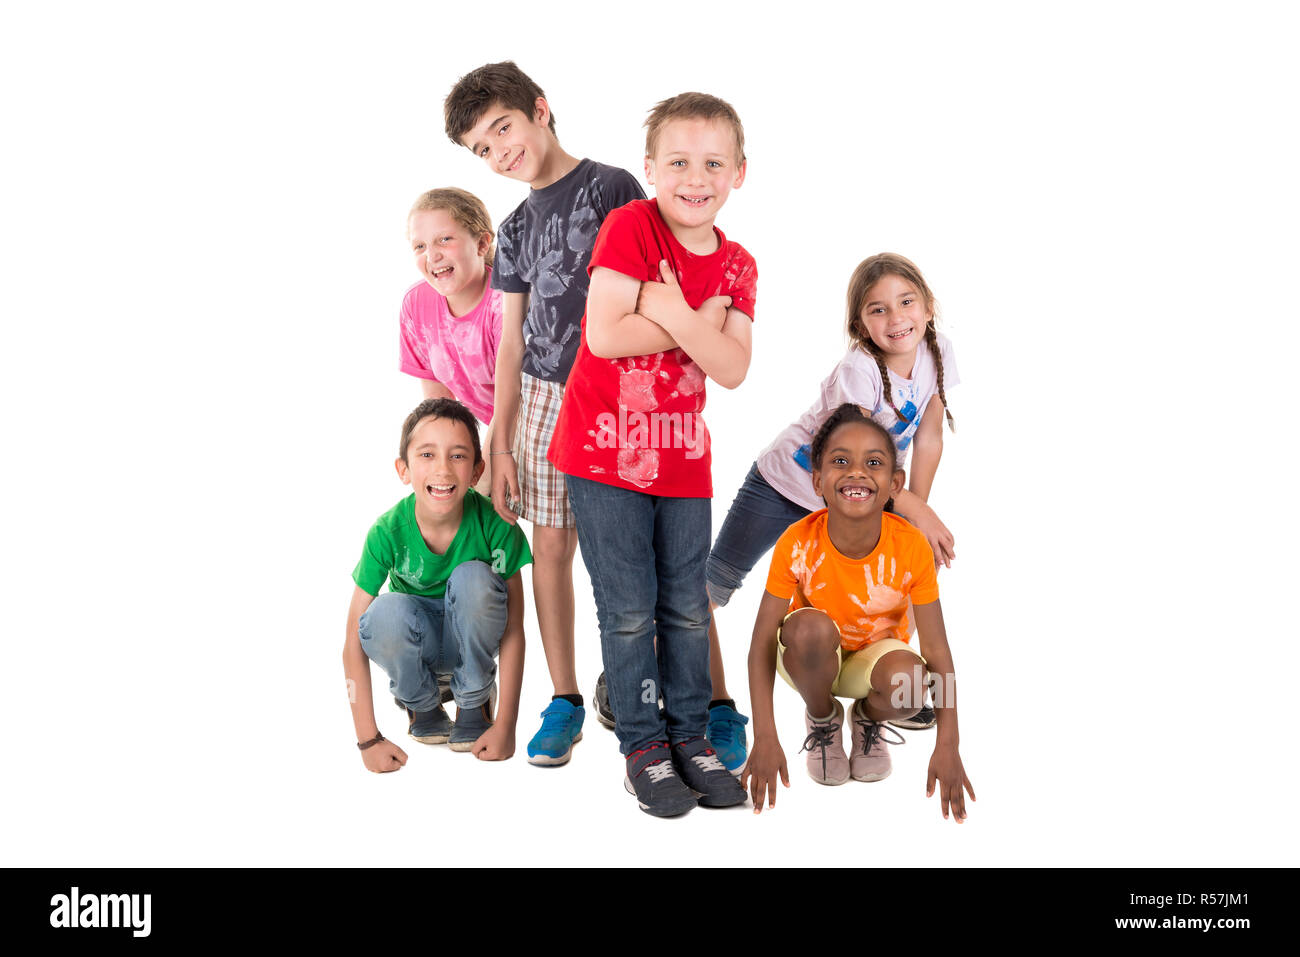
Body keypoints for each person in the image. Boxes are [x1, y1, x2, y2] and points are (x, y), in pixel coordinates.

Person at [549, 92, 755, 816]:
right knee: (631, 610)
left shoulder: (737, 265)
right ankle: (643, 743)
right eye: (677, 162)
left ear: (738, 172)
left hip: (681, 460)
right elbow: (604, 336)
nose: (693, 179)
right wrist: (695, 322)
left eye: (711, 164)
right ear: (650, 168)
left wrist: (663, 310)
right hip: (603, 452)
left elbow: (732, 369)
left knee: (689, 609)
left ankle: (690, 736)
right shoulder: (630, 225)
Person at [444, 61, 645, 766]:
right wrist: (499, 442)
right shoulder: (515, 224)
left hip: (613, 391)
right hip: (539, 398)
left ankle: (636, 684)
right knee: (550, 548)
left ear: (540, 108)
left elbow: (643, 288)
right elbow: (510, 341)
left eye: (503, 128)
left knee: (622, 552)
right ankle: (564, 699)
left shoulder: (611, 186)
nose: (500, 151)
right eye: (482, 148)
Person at [704, 252, 960, 775]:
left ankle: (880, 695)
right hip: (790, 485)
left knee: (912, 571)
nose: (896, 319)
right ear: (859, 326)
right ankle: (708, 701)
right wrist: (908, 506)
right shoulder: (858, 369)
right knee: (709, 589)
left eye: (906, 302)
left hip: (861, 499)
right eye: (878, 311)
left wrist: (915, 516)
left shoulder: (937, 351)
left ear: (929, 306)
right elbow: (855, 459)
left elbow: (930, 436)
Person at [742, 404, 975, 822]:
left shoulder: (910, 546)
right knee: (808, 628)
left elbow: (938, 652)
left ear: (894, 484)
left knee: (912, 683)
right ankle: (823, 716)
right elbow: (761, 641)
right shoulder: (797, 541)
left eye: (873, 462)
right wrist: (764, 735)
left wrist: (949, 744)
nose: (856, 472)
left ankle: (867, 720)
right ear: (817, 480)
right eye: (839, 461)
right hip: (809, 658)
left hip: (873, 663)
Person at [343, 398, 531, 771]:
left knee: (474, 578)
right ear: (404, 469)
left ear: (477, 471)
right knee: (384, 612)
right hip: (420, 646)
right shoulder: (387, 531)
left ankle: (474, 699)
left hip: (474, 641)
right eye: (427, 455)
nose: (443, 469)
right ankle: (423, 704)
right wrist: (369, 741)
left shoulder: (495, 525)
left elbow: (513, 630)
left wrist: (508, 727)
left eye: (458, 456)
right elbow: (353, 640)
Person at [400, 187, 503, 498]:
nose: (432, 255)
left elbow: (514, 403)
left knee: (486, 502)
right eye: (419, 246)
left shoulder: (503, 302)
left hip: (542, 421)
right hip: (499, 426)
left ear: (482, 243)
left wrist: (481, 480)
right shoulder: (416, 303)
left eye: (444, 239)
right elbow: (438, 409)